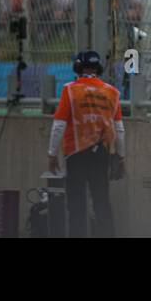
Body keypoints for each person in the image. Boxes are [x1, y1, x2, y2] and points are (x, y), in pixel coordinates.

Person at [47, 50, 124, 238]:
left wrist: (51, 154)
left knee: (76, 204)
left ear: (78, 67)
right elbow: (120, 129)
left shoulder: (71, 90)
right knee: (101, 201)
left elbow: (59, 125)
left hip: (75, 153)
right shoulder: (111, 92)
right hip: (101, 154)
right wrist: (120, 156)